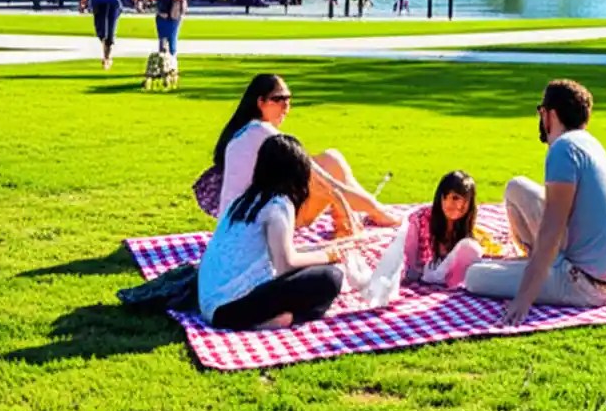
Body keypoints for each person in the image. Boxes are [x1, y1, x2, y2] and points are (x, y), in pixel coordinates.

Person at [465, 79, 606, 326]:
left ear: (549, 114)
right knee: (516, 187)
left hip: (584, 283)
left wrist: (524, 299)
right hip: (603, 272)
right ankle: (533, 263)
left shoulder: (563, 149)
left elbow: (552, 228)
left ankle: (536, 269)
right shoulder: (588, 143)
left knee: (474, 275)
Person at [212, 74, 401, 236]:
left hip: (242, 223)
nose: (286, 106)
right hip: (256, 227)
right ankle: (370, 216)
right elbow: (329, 184)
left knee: (330, 161)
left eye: (289, 99)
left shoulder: (244, 132)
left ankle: (363, 215)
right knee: (329, 170)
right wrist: (376, 210)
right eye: (279, 99)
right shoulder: (264, 133)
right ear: (260, 102)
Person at [198, 133, 346, 330]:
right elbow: (285, 264)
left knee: (313, 269)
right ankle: (281, 320)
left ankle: (272, 317)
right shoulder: (278, 204)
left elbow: (279, 255)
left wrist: (317, 252)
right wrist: (328, 255)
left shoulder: (244, 200)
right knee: (330, 277)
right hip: (232, 310)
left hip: (209, 305)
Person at [403, 171, 504, 289]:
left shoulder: (464, 224)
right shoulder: (419, 220)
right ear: (442, 196)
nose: (460, 205)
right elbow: (409, 258)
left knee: (474, 251)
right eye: (455, 198)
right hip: (426, 272)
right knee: (470, 247)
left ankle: (453, 283)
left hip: (452, 275)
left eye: (465, 200)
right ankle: (438, 279)